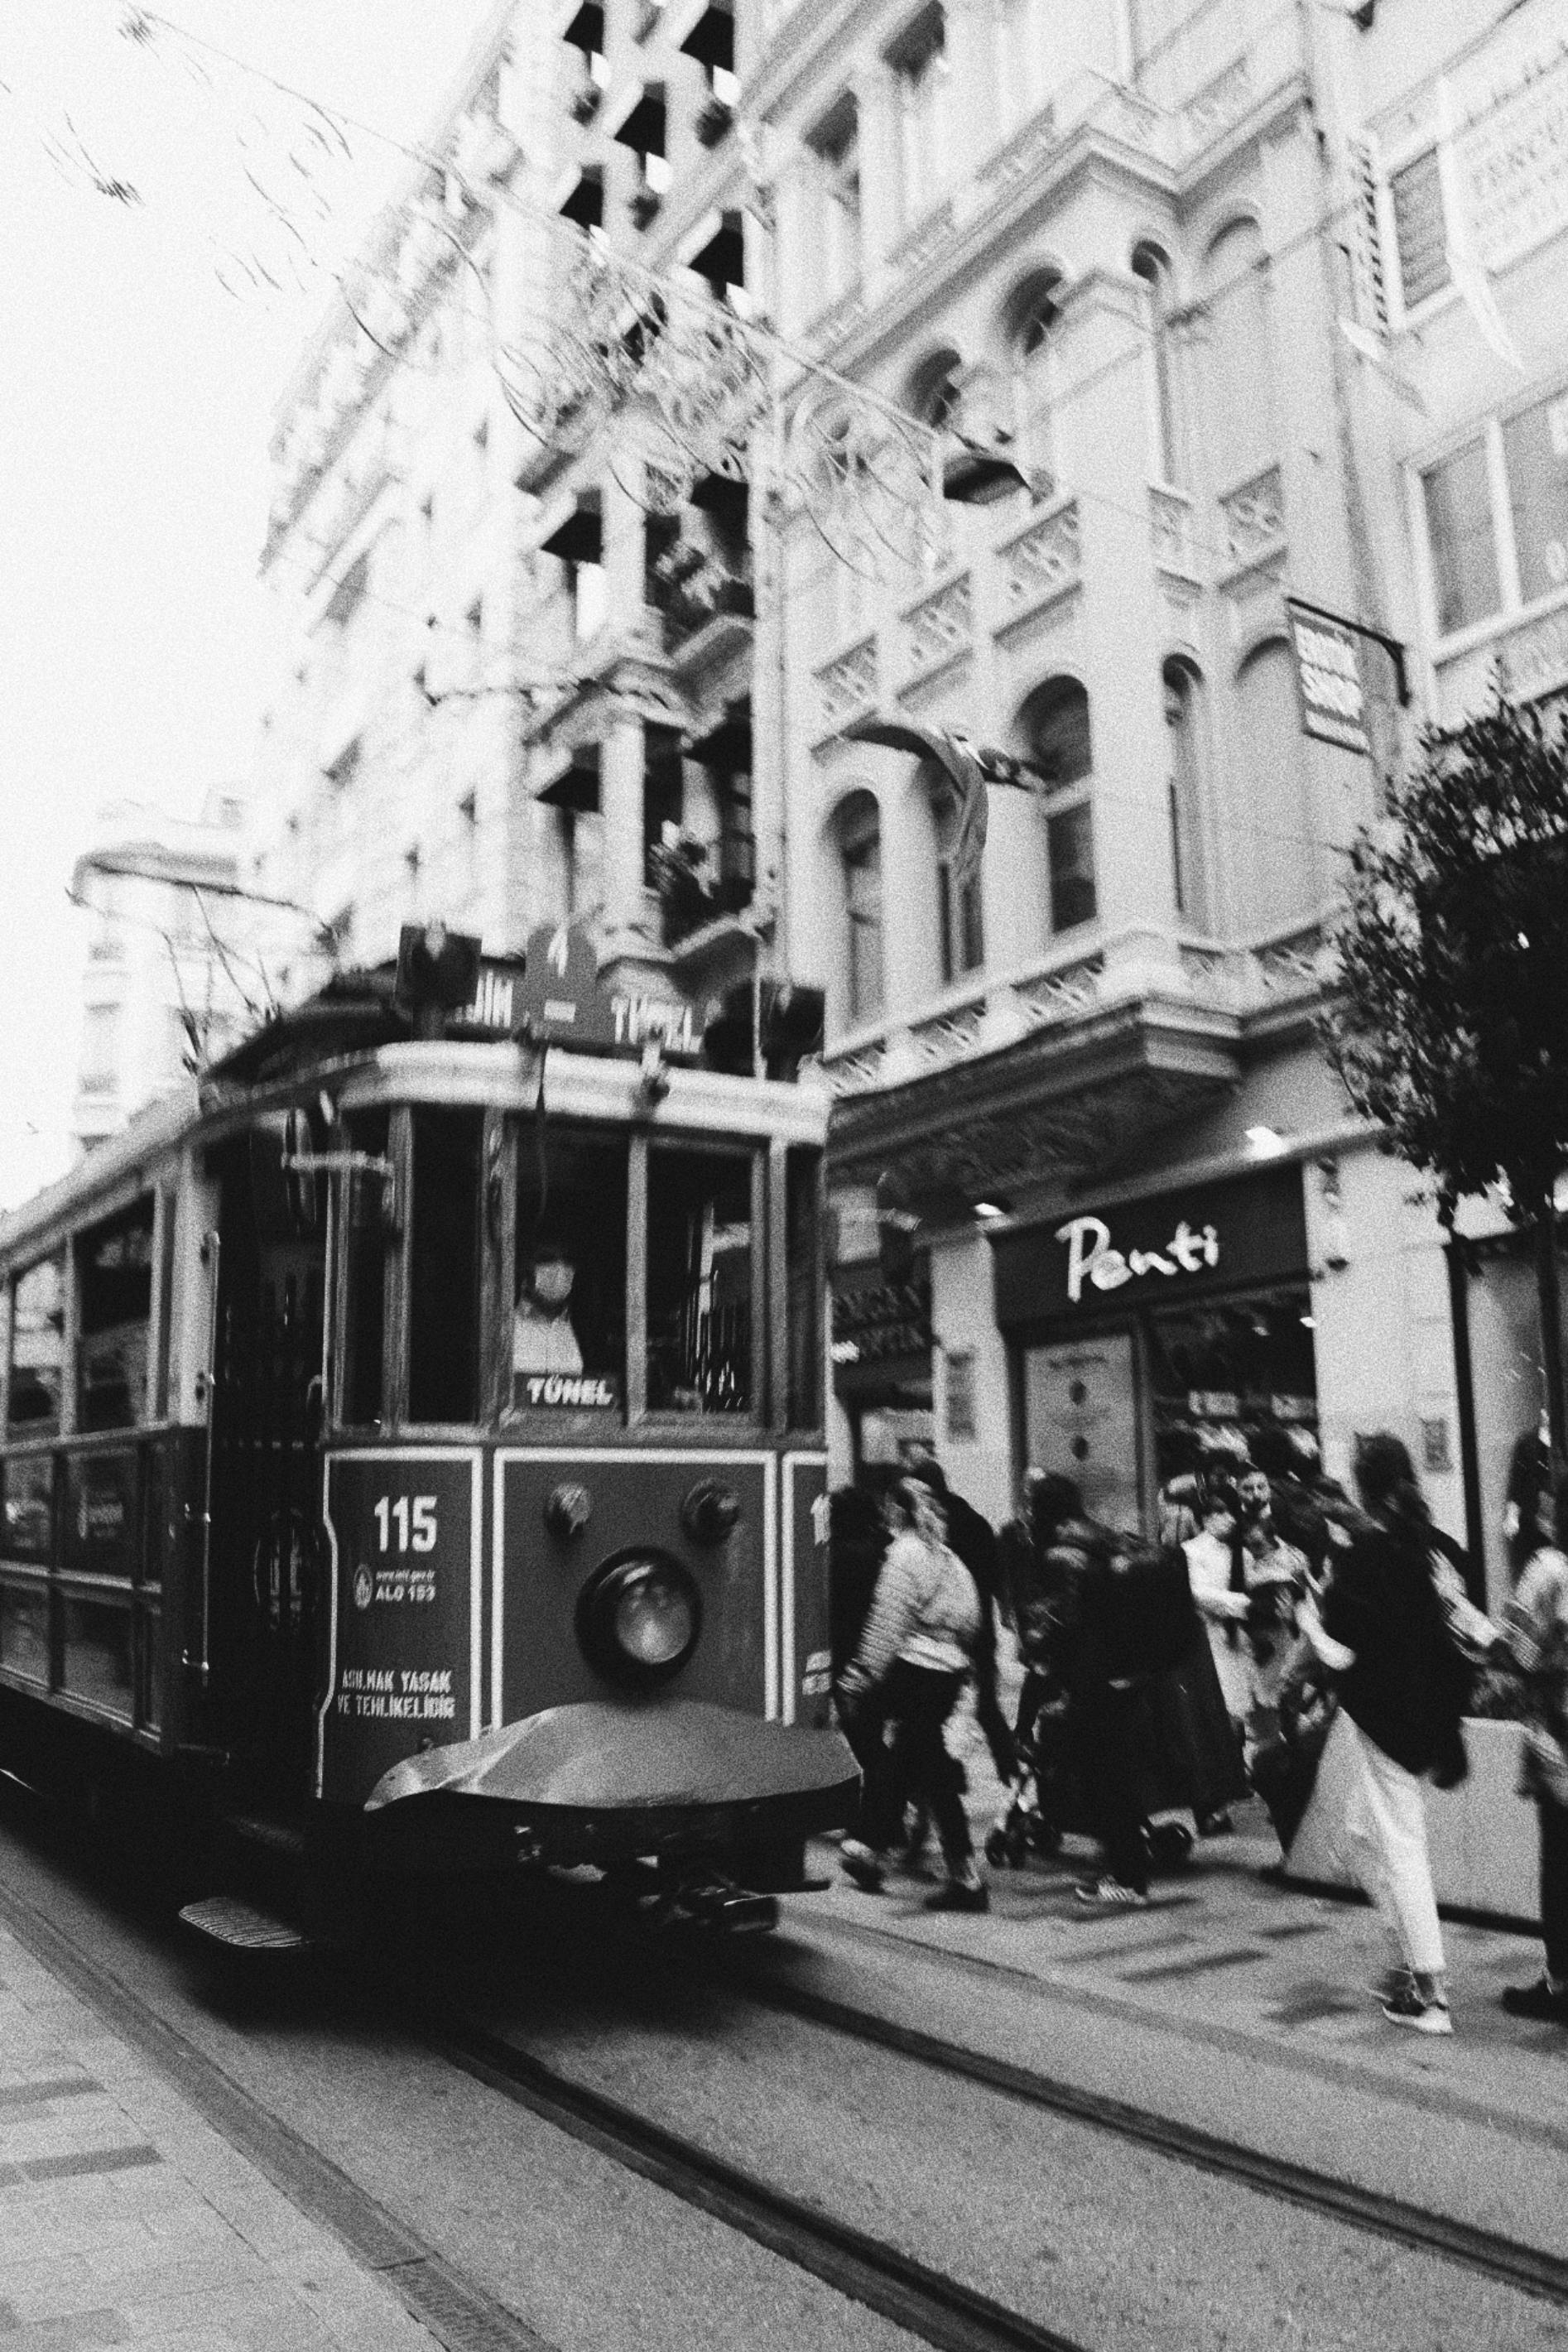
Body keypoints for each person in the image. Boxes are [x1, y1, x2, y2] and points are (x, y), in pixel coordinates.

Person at [1299, 1432, 1471, 2036]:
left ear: (1363, 1483)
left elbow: (1340, 1651)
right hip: (1431, 1716)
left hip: (1386, 1718)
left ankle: (1430, 1992)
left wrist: (1307, 1611)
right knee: (1355, 1831)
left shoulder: (1366, 1556)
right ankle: (1409, 1962)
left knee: (1399, 1847)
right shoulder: (1439, 1548)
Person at [836, 1476, 988, 1912]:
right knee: (923, 1763)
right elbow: (972, 1622)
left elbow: (887, 1625)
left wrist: (860, 1678)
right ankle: (880, 1851)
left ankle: (880, 1849)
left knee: (913, 1763)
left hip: (914, 1673)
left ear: (896, 1512)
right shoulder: (949, 1559)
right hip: (946, 1674)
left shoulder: (903, 1555)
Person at [902, 1457, 1016, 1787]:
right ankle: (1010, 1770)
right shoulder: (976, 1521)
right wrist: (1004, 1614)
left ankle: (945, 1782)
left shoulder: (928, 1527)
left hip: (942, 1632)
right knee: (985, 1706)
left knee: (934, 1713)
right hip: (979, 1627)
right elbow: (996, 1576)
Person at [1500, 1471, 1568, 2023]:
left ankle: (1561, 1982)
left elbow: (1518, 1651)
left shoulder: (1547, 1568)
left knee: (1560, 1855)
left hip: (1559, 1729)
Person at [511, 1254, 584, 1385]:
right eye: (550, 1275)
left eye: (567, 1273)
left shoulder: (572, 1327)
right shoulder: (506, 1327)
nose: (559, 1279)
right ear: (526, 1280)